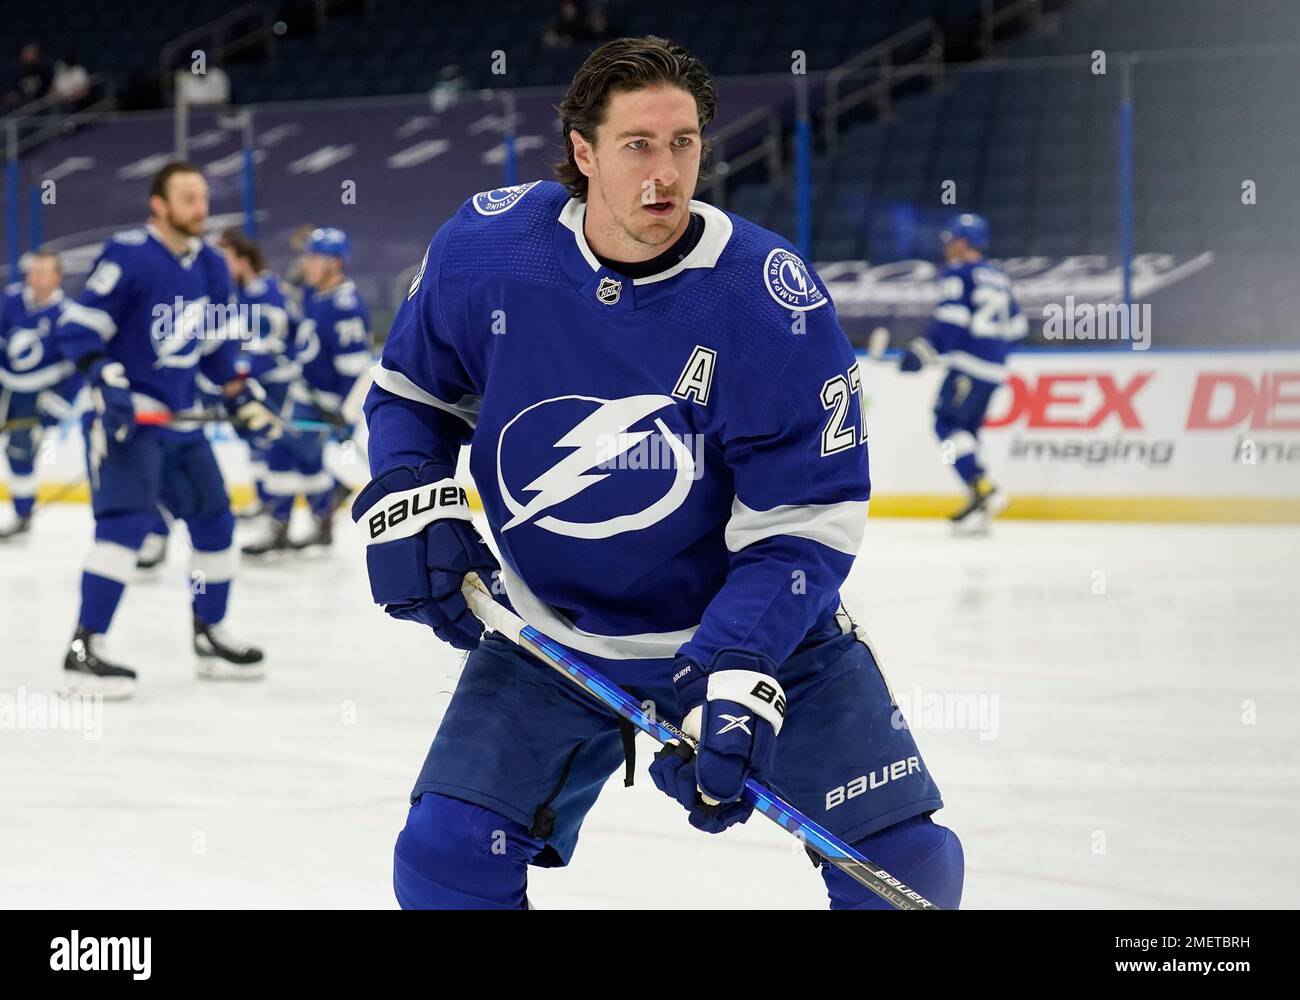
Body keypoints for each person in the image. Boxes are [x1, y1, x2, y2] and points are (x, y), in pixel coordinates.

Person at [354, 36, 963, 910]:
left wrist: (737, 662)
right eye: (638, 144)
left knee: (909, 869)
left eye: (684, 143)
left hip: (749, 632)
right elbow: (413, 392)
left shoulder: (767, 301)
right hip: (552, 634)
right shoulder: (490, 250)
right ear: (583, 151)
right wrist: (411, 493)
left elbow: (806, 520)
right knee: (444, 860)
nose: (666, 173)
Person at [53, 161, 281, 699]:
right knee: (125, 527)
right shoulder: (129, 254)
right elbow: (78, 329)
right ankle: (83, 650)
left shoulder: (211, 265)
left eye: (203, 198)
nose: (200, 208)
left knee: (215, 523)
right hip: (129, 423)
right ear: (159, 204)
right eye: (188, 199)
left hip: (180, 422)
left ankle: (209, 634)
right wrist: (106, 378)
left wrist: (241, 394)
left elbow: (216, 350)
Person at [242, 226, 368, 555]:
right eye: (308, 257)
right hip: (303, 395)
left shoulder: (346, 306)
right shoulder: (315, 294)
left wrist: (346, 412)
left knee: (282, 454)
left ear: (335, 263)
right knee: (300, 459)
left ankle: (283, 526)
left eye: (315, 258)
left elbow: (355, 368)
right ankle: (319, 519)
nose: (307, 264)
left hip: (323, 404)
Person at [898, 213, 1028, 533]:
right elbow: (1018, 328)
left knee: (946, 424)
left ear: (965, 242)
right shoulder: (999, 276)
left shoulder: (958, 273)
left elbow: (951, 323)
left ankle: (984, 487)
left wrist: (921, 352)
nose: (947, 247)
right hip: (995, 369)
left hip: (969, 366)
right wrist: (991, 351)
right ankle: (978, 494)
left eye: (952, 240)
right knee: (967, 432)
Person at [217, 227, 295, 520]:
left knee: (272, 441)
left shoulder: (269, 288)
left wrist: (241, 373)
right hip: (253, 380)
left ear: (243, 259)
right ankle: (265, 501)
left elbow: (272, 339)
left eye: (226, 259)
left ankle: (278, 506)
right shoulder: (237, 292)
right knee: (256, 441)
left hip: (274, 380)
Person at [0, 252, 78, 539]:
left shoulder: (68, 314)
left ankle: (23, 515)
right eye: (33, 271)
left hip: (38, 393)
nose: (37, 277)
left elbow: (76, 365)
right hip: (5, 384)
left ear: (57, 276)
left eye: (44, 272)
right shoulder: (12, 299)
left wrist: (62, 400)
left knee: (20, 452)